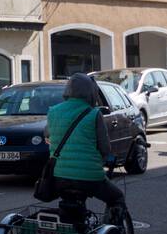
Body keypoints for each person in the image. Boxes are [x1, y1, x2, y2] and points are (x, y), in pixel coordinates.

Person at [44, 73, 127, 222]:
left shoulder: (53, 111)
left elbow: (47, 134)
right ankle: (112, 232)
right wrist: (105, 158)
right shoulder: (94, 114)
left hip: (59, 177)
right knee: (116, 197)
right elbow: (105, 148)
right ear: (91, 92)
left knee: (72, 203)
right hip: (89, 177)